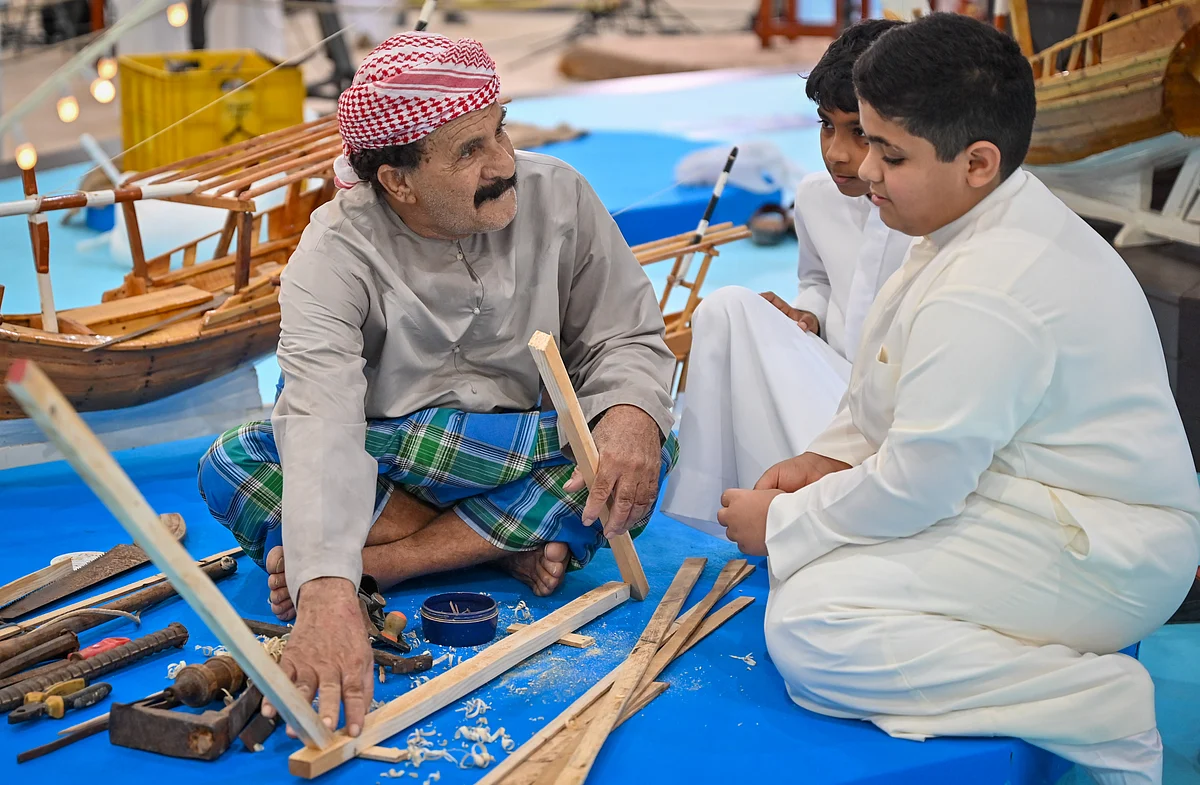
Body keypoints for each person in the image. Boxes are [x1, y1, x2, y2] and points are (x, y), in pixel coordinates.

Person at [717, 14, 1200, 785]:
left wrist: (783, 521)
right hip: (1036, 499)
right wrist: (824, 459)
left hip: (1108, 548)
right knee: (809, 580)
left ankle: (1095, 705)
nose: (865, 169)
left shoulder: (989, 284)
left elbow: (919, 483)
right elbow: (889, 380)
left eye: (887, 151)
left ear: (977, 160)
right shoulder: (977, 212)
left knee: (812, 629)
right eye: (866, 141)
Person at [197, 32, 678, 738]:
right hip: (389, 459)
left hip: (518, 444)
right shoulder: (331, 253)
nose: (505, 162)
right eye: (470, 151)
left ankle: (383, 560)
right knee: (232, 461)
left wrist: (632, 414)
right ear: (398, 180)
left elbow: (625, 336)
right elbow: (322, 422)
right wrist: (329, 597)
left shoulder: (562, 195)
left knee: (643, 450)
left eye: (499, 132)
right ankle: (491, 543)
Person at [661, 19, 913, 538]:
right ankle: (733, 503)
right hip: (832, 379)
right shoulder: (816, 197)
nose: (838, 152)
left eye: (859, 132)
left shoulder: (927, 206)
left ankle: (799, 515)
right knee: (725, 306)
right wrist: (808, 315)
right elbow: (818, 282)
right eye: (827, 126)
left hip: (901, 414)